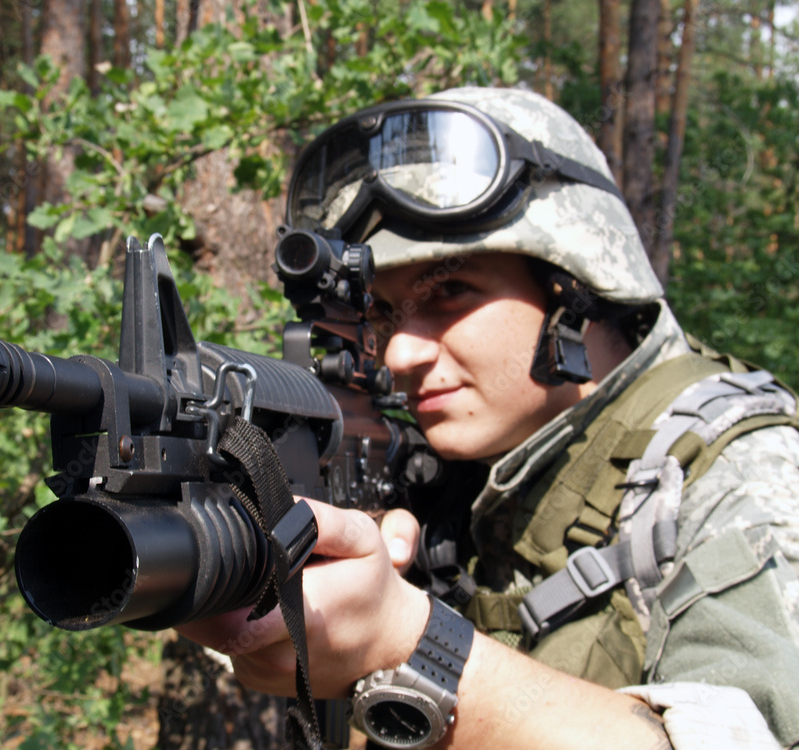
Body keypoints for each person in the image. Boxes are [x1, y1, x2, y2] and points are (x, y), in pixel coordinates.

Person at [178, 87, 799, 749]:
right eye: (384, 312)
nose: (401, 351)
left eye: (449, 291)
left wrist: (411, 646)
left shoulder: (740, 471)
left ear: (574, 289)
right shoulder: (466, 460)